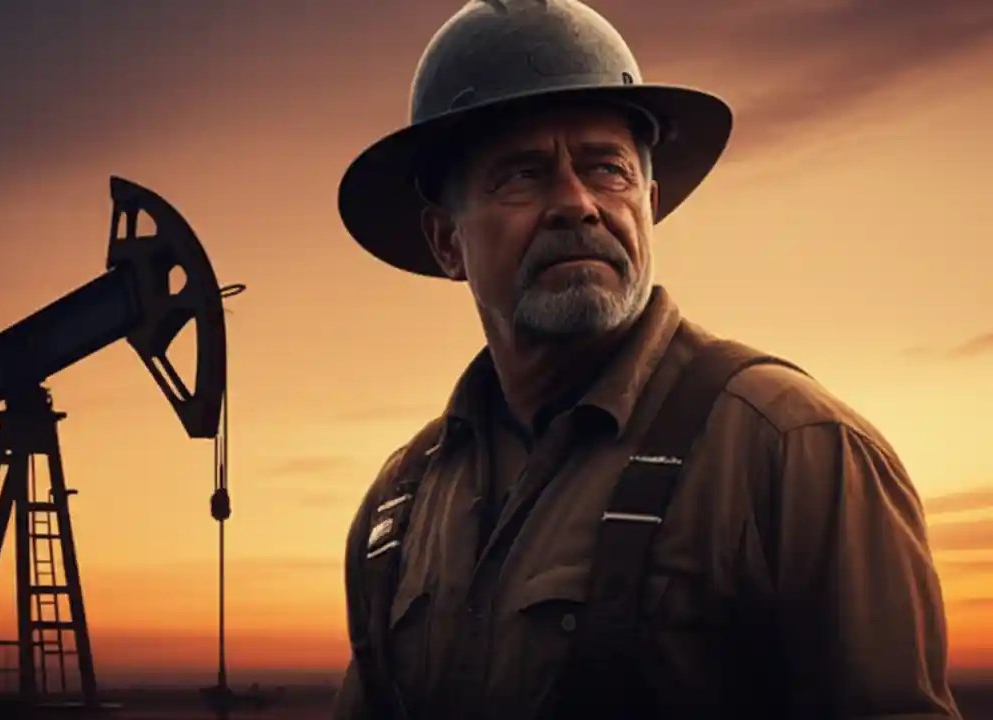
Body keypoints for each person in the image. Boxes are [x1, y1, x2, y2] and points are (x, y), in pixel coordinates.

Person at [330, 1, 962, 718]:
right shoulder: (399, 506)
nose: (577, 205)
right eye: (521, 175)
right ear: (447, 242)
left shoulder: (794, 451)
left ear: (649, 204)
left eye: (607, 170)